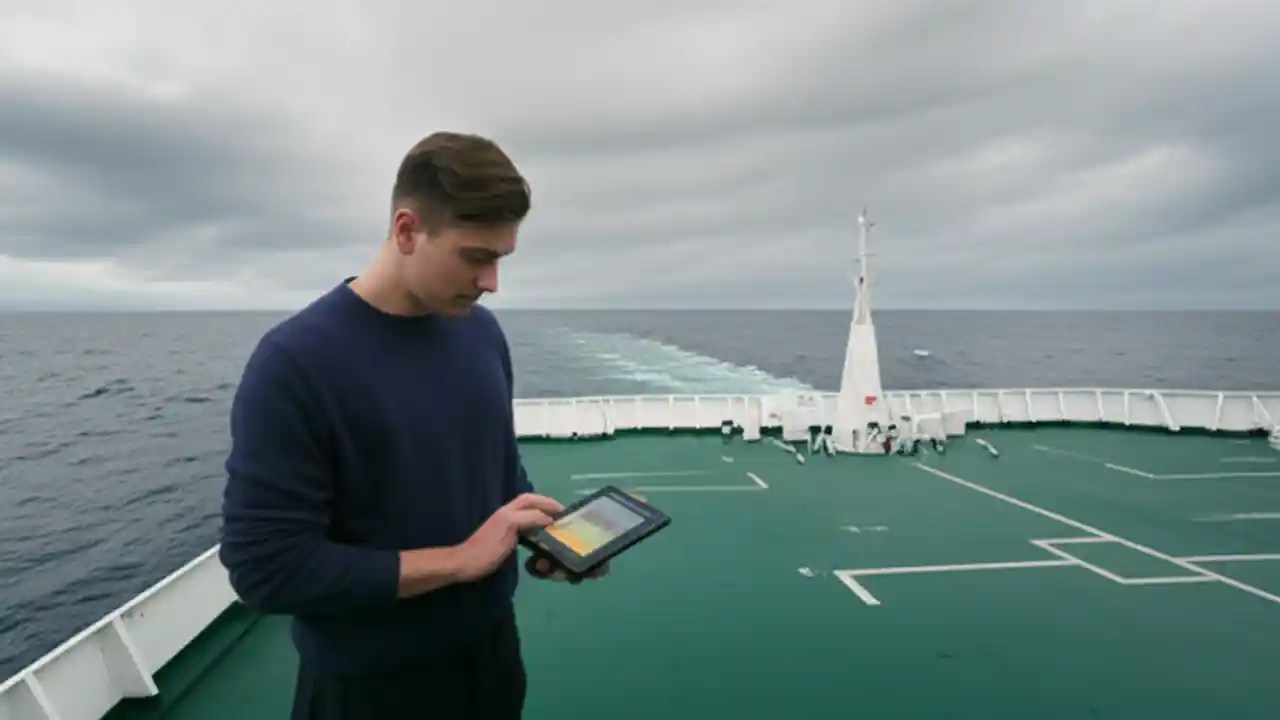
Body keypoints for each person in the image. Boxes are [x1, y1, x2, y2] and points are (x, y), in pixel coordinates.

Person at [218, 131, 604, 720]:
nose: (492, 282)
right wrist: (460, 560)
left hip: (492, 662)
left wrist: (548, 536)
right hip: (368, 689)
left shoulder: (481, 334)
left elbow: (497, 477)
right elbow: (265, 570)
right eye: (476, 256)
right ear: (406, 230)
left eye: (500, 258)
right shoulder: (294, 364)